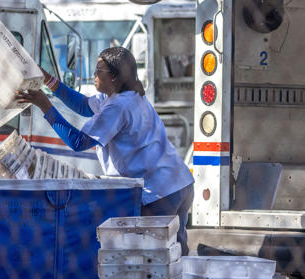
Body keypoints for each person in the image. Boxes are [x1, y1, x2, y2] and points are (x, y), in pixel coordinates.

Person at [16, 46, 194, 252]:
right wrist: (49, 80)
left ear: (114, 77)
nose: (93, 75)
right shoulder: (126, 96)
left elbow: (78, 142)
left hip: (159, 193)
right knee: (177, 255)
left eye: (99, 71)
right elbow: (83, 105)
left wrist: (45, 106)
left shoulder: (117, 107)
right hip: (180, 183)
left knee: (152, 258)